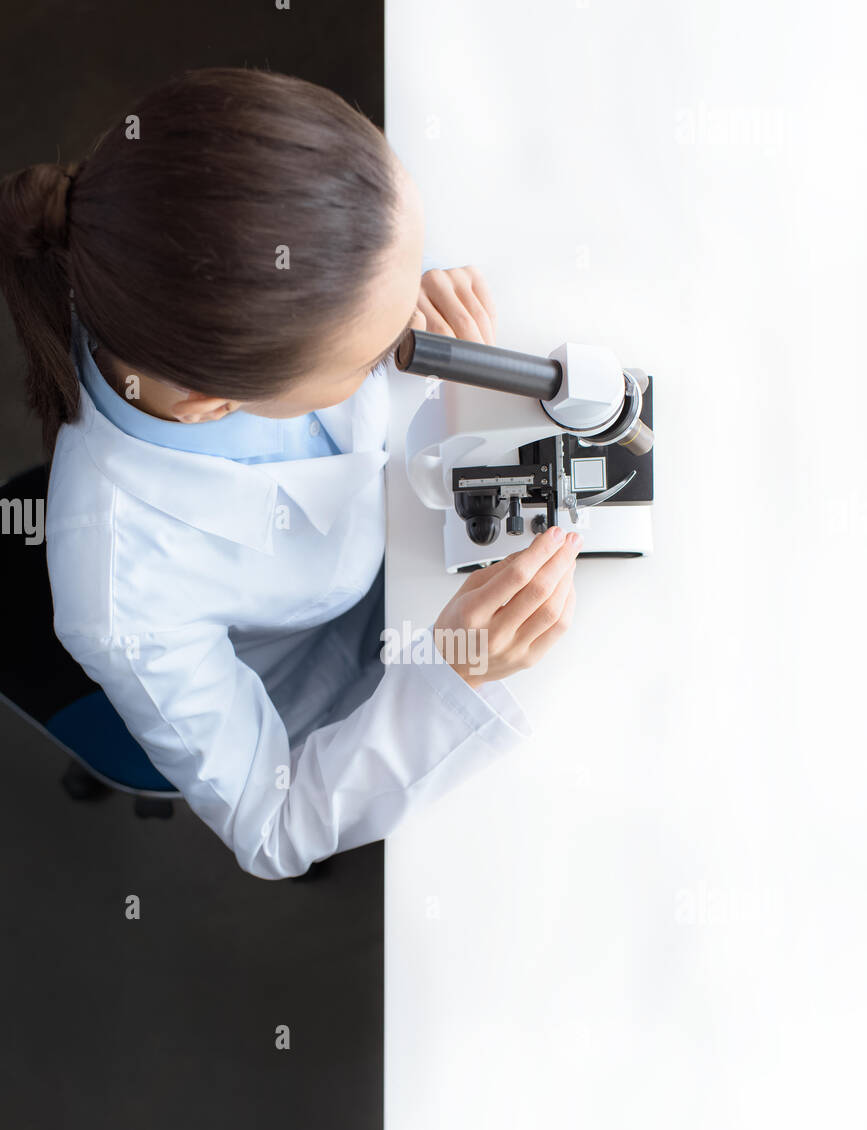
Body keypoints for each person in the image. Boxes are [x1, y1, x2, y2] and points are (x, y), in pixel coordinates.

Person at [0, 67, 580, 879]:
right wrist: (455, 673)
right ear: (213, 404)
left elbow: (345, 271)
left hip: (397, 555)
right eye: (377, 351)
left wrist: (418, 288)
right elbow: (270, 828)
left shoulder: (214, 269)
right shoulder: (123, 588)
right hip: (331, 673)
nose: (405, 344)